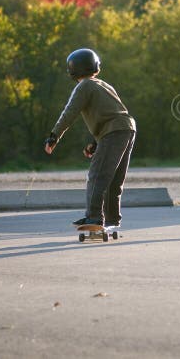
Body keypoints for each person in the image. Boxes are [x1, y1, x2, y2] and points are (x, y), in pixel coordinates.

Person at [44, 48, 136, 227]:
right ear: (95, 66)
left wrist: (54, 136)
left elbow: (69, 112)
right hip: (127, 128)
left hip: (114, 131)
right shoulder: (104, 85)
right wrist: (96, 143)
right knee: (113, 179)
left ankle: (94, 217)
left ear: (73, 70)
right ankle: (112, 220)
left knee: (96, 176)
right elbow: (112, 114)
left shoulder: (84, 86)